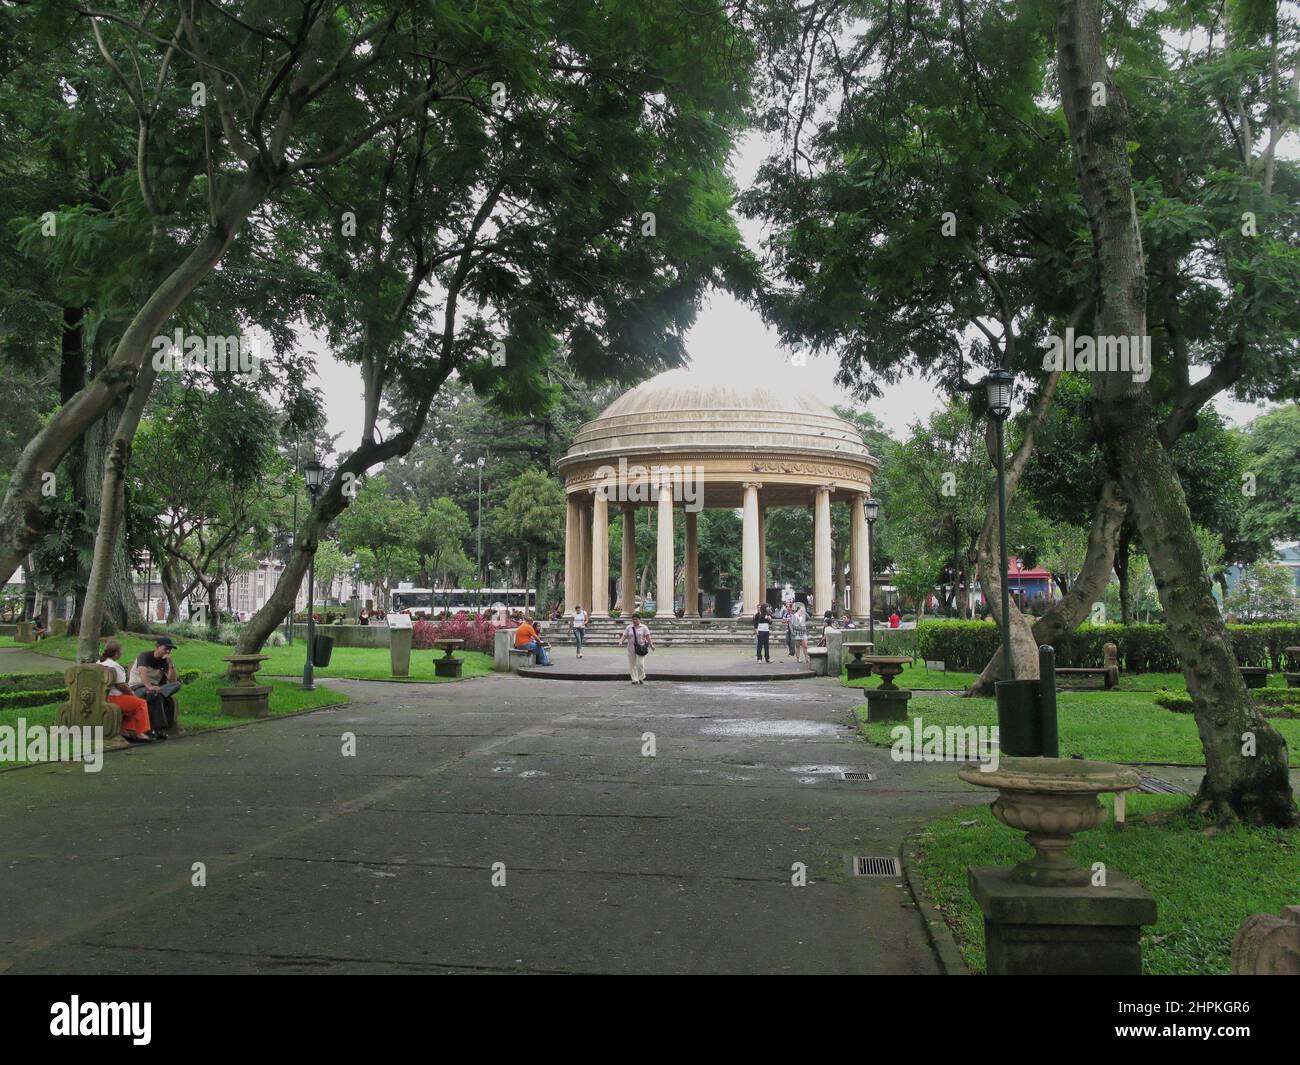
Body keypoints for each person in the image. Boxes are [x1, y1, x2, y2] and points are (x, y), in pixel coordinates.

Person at [99, 639, 155, 743]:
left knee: (131, 703)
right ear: (117, 653)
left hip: (101, 696)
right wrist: (132, 694)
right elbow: (121, 685)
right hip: (113, 697)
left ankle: (123, 730)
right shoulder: (115, 666)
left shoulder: (99, 662)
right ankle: (140, 732)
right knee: (140, 703)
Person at [128, 635, 182, 736]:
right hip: (138, 687)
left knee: (177, 684)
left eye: (170, 650)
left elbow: (172, 680)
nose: (168, 652)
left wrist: (170, 664)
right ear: (157, 647)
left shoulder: (165, 661)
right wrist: (149, 687)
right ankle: (159, 729)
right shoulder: (145, 656)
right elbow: (142, 672)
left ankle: (156, 729)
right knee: (154, 694)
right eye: (166, 648)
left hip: (155, 688)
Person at [619, 612, 654, 684]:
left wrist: (651, 645)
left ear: (639, 620)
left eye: (636, 619)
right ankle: (634, 679)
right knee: (632, 664)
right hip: (631, 648)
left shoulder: (644, 627)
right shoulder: (629, 627)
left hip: (641, 648)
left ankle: (641, 677)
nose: (634, 621)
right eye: (633, 619)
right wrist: (621, 641)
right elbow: (624, 635)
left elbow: (648, 637)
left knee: (640, 664)